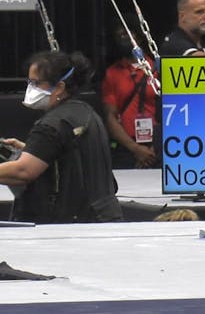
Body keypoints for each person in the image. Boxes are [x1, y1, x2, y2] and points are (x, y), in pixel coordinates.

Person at [0, 51, 121, 223]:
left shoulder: (52, 124)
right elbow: (70, 153)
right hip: (104, 216)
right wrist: (33, 149)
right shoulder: (87, 113)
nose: (30, 88)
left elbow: (23, 171)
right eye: (29, 82)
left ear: (60, 87)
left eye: (36, 83)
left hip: (73, 223)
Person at [101, 23, 160, 169]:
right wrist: (136, 149)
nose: (123, 38)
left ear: (138, 37)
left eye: (127, 34)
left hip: (158, 145)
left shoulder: (157, 69)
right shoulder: (112, 73)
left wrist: (155, 147)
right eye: (119, 35)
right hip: (127, 149)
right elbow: (110, 117)